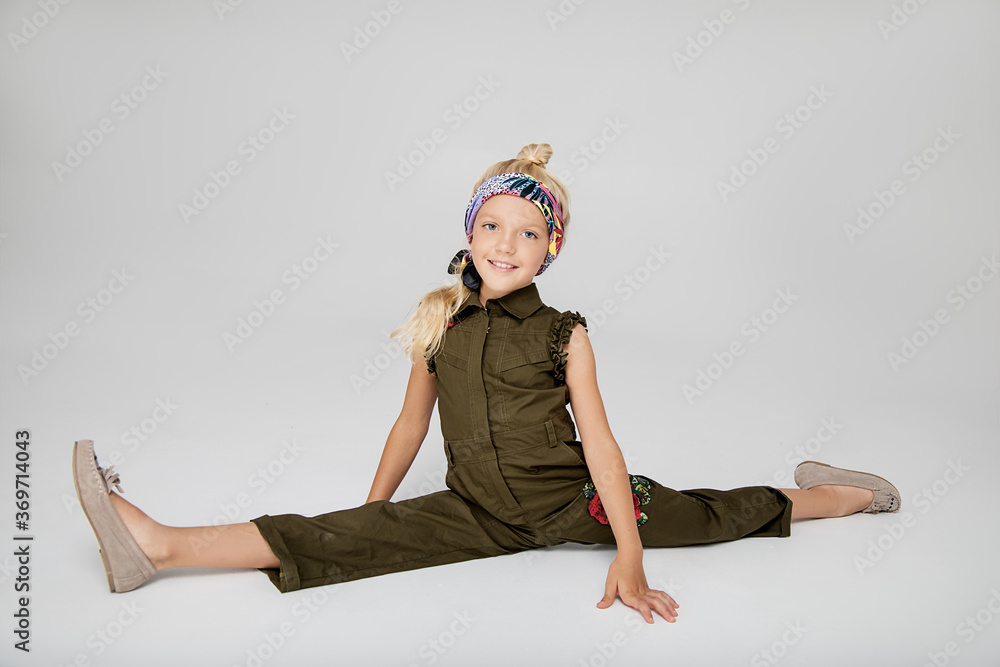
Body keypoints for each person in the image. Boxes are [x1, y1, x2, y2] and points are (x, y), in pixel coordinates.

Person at [72, 142, 901, 624]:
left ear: (551, 249)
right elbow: (407, 428)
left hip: (579, 503)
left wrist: (630, 553)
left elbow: (604, 448)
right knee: (342, 539)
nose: (507, 243)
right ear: (468, 232)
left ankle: (849, 494)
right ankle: (160, 544)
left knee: (723, 515)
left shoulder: (563, 332)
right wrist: (376, 506)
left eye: (529, 232)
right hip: (479, 512)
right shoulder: (441, 323)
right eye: (492, 225)